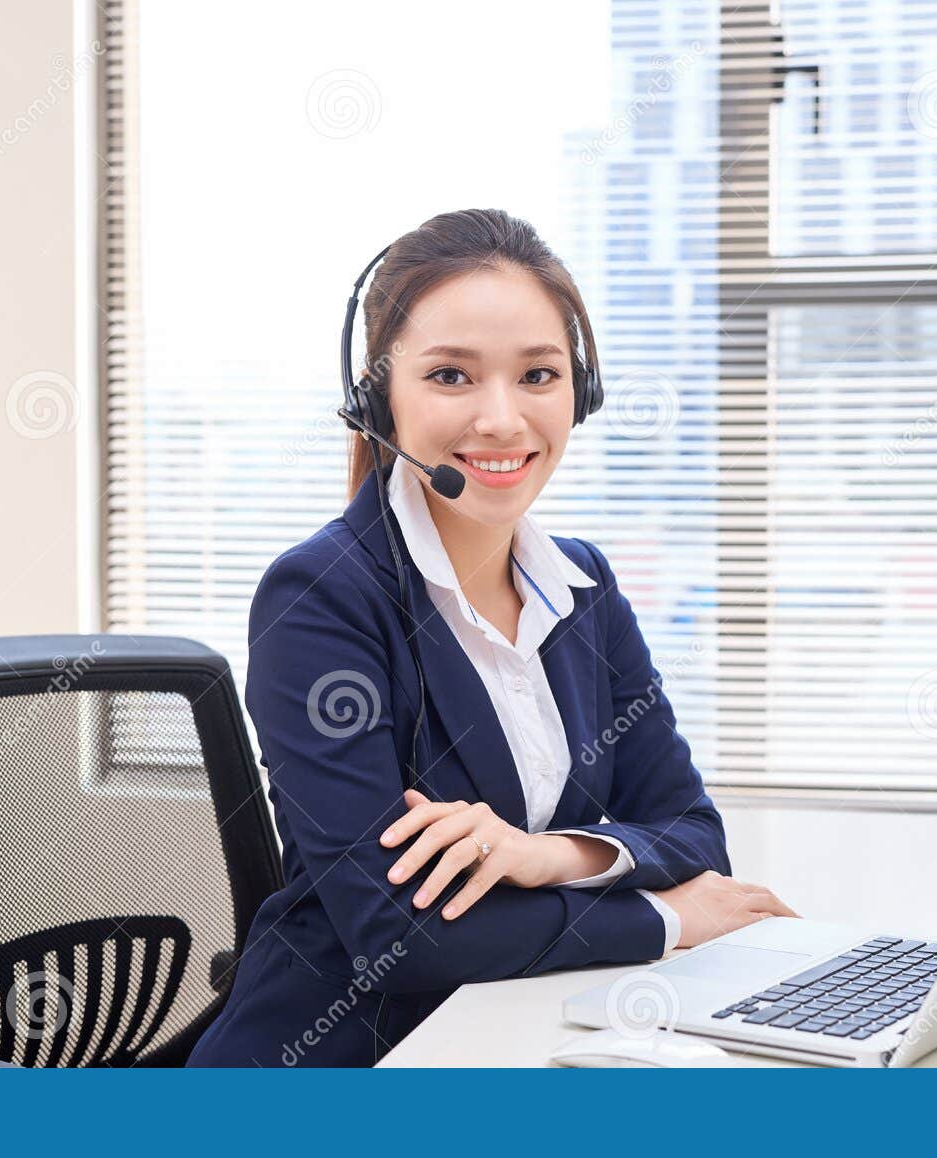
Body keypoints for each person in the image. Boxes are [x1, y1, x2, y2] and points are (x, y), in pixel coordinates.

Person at [186, 208, 798, 1068]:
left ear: (578, 393)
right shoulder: (324, 598)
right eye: (451, 376)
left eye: (539, 375)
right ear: (377, 399)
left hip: (524, 1038)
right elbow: (399, 935)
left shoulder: (582, 587)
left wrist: (545, 856)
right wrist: (666, 916)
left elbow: (694, 832)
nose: (504, 420)